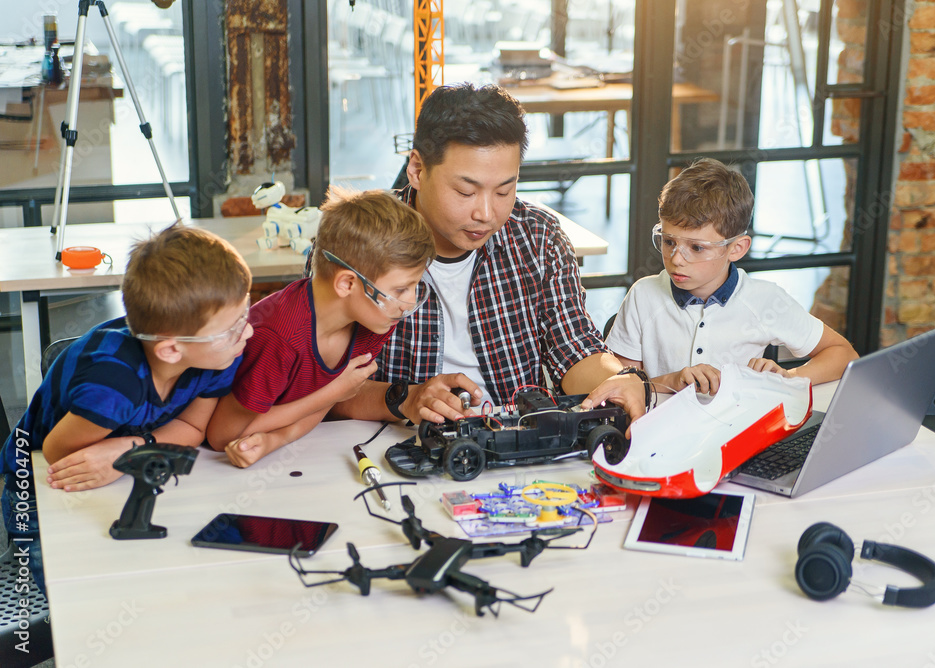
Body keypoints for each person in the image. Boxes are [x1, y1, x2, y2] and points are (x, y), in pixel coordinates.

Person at [332, 83, 647, 425]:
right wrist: (406, 399)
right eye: (466, 191)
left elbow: (574, 349)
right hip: (389, 444)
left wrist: (616, 380)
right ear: (417, 170)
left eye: (504, 190)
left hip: (511, 441)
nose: (486, 213)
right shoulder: (357, 240)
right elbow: (319, 387)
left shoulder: (538, 237)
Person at [0, 222, 253, 593]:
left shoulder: (219, 356)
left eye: (246, 316)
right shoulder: (113, 382)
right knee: (81, 601)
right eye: (233, 328)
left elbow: (193, 429)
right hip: (42, 493)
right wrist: (142, 450)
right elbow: (58, 454)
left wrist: (128, 448)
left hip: (120, 475)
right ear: (170, 349)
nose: (247, 333)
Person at [206, 188, 436, 466]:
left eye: (415, 287)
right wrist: (336, 391)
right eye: (401, 289)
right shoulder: (279, 339)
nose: (409, 302)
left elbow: (318, 408)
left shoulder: (373, 320)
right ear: (347, 284)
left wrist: (276, 440)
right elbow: (221, 436)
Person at [606, 158, 858, 395]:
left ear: (736, 248)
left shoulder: (765, 299)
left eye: (696, 247)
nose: (676, 258)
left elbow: (843, 353)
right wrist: (671, 381)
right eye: (669, 241)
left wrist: (787, 378)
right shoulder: (643, 296)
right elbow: (622, 386)